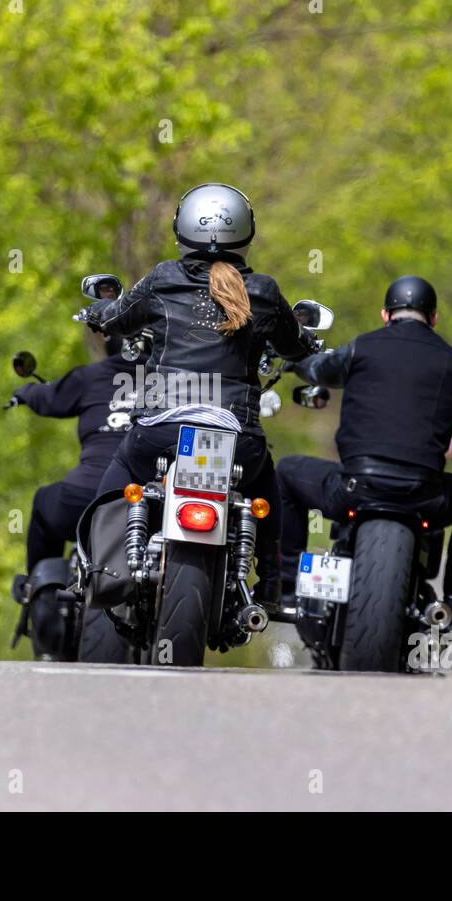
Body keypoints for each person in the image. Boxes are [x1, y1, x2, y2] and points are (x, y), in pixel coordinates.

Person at [82, 182, 320, 601]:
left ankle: (100, 570)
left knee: (116, 479)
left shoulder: (163, 278)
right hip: (235, 439)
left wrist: (97, 311)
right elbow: (295, 346)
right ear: (246, 232)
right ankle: (271, 586)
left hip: (160, 430)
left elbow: (117, 318)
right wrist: (310, 344)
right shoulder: (262, 291)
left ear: (182, 227)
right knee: (267, 486)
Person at [276, 275, 452, 631]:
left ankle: (285, 587)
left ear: (384, 314)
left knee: (286, 470)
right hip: (424, 495)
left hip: (354, 489)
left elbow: (317, 369)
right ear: (434, 318)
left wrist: (294, 358)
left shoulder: (361, 348)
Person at [10, 335, 137, 573]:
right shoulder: (176, 382)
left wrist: (25, 392)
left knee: (43, 501)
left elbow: (49, 398)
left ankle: (43, 592)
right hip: (144, 506)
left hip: (82, 499)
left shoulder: (91, 376)